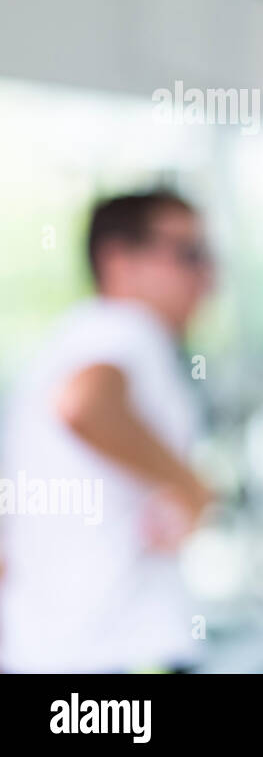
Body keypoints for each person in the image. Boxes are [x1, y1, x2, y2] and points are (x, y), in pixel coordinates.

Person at [0, 189, 215, 672]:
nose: (206, 274)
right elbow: (84, 403)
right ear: (119, 260)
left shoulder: (72, 338)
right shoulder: (124, 328)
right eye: (188, 253)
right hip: (114, 654)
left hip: (56, 652)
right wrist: (191, 486)